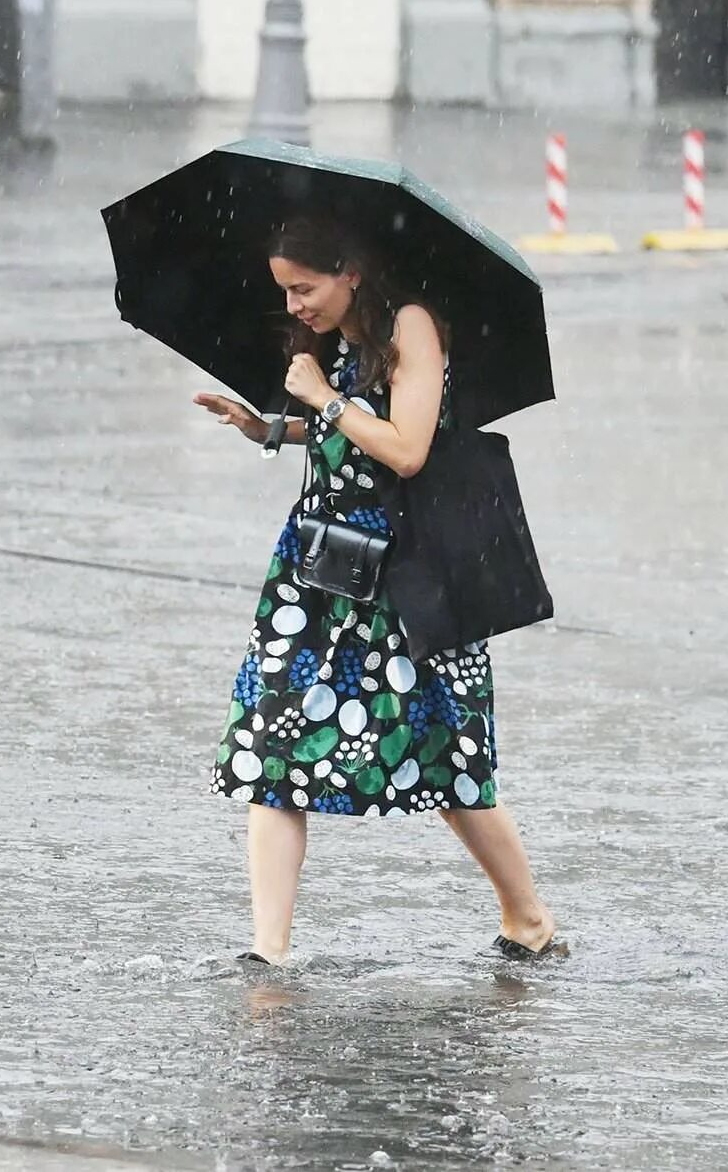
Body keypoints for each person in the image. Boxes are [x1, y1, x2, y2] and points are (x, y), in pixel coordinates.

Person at [194, 217, 560, 965]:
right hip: (321, 572)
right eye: (285, 292)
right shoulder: (339, 339)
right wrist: (269, 428)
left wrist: (323, 396)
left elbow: (406, 447)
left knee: (449, 759)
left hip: (407, 578)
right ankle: (269, 948)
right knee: (274, 745)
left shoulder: (412, 326)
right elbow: (346, 433)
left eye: (305, 288)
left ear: (350, 271)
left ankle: (529, 917)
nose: (295, 305)